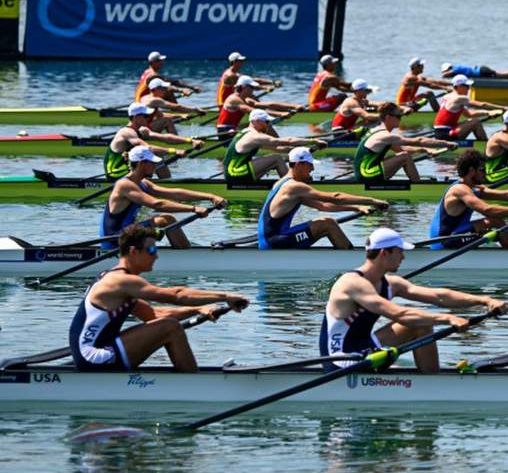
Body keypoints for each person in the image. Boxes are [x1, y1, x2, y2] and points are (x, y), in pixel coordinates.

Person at [320, 227, 508, 373]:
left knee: (421, 325)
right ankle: (423, 388)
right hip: (340, 361)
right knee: (417, 320)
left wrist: (484, 300)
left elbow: (439, 296)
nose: (403, 256)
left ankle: (430, 383)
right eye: (400, 251)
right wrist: (448, 318)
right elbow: (399, 314)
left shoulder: (390, 283)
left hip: (366, 348)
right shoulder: (352, 283)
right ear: (384, 253)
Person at [71, 223, 249, 372]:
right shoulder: (120, 281)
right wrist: (225, 296)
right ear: (133, 251)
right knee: (170, 327)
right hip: (94, 358)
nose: (156, 255)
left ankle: (191, 380)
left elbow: (154, 315)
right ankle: (194, 385)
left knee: (167, 325)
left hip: (97, 353)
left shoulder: (117, 280)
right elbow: (177, 295)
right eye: (151, 249)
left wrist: (198, 309)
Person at [257, 147, 389, 250]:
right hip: (274, 242)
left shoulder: (281, 183)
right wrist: (372, 200)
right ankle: (351, 261)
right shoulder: (293, 187)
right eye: (310, 165)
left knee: (326, 222)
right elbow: (335, 197)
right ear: (299, 164)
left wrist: (356, 207)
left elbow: (323, 206)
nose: (313, 169)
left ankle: (345, 254)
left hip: (272, 239)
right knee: (328, 224)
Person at [101, 146, 227, 249]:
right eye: (152, 163)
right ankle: (186, 257)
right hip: (115, 239)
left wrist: (210, 197)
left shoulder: (143, 182)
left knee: (165, 220)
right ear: (141, 164)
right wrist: (193, 209)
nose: (155, 167)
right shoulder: (124, 185)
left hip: (128, 232)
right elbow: (157, 204)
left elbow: (174, 193)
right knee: (166, 220)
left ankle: (185, 254)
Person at [428, 149, 508, 250]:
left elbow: (507, 195)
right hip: (443, 242)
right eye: (482, 169)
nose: (486, 173)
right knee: (495, 221)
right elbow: (487, 210)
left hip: (457, 233)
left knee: (494, 225)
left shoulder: (473, 187)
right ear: (471, 170)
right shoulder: (460, 190)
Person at [353, 102, 458, 183]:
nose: (400, 119)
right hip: (367, 174)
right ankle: (417, 186)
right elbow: (418, 141)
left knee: (404, 154)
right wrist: (447, 143)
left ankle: (416, 183)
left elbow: (401, 149)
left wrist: (426, 150)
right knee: (405, 157)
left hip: (364, 173)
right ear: (388, 117)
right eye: (398, 116)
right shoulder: (385, 136)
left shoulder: (376, 130)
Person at [105, 102, 203, 180]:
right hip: (116, 172)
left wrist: (190, 141)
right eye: (146, 116)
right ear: (136, 117)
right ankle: (165, 185)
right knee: (155, 157)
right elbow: (148, 148)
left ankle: (166, 183)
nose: (149, 118)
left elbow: (165, 137)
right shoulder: (126, 132)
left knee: (155, 158)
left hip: (129, 168)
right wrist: (174, 151)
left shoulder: (141, 130)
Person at [223, 109, 326, 183]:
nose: (268, 125)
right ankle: (290, 185)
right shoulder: (254, 136)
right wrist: (313, 140)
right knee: (277, 159)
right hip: (236, 173)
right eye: (267, 122)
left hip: (233, 174)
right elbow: (287, 141)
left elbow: (278, 148)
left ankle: (290, 181)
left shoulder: (246, 132)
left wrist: (303, 150)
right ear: (257, 121)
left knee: (275, 158)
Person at [216, 75, 302, 135]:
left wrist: (294, 106)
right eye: (252, 88)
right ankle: (277, 144)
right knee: (264, 124)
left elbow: (268, 104)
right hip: (226, 132)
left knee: (264, 124)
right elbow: (254, 111)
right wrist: (280, 114)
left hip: (235, 128)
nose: (253, 90)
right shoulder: (233, 99)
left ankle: (277, 143)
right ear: (244, 87)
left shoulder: (246, 98)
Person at [433, 75, 507, 141]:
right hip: (446, 134)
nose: (469, 89)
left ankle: (483, 143)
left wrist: (488, 113)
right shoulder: (459, 98)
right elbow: (481, 104)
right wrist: (504, 108)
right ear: (459, 86)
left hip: (440, 132)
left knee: (471, 120)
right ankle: (485, 145)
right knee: (476, 122)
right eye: (467, 86)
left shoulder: (447, 96)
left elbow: (469, 114)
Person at [140, 78, 207, 134]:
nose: (166, 90)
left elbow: (160, 115)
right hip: (144, 130)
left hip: (142, 128)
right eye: (164, 88)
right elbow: (177, 107)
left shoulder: (145, 98)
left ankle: (171, 138)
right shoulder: (155, 100)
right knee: (167, 120)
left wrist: (180, 116)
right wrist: (195, 109)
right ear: (156, 89)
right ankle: (177, 141)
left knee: (164, 119)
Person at [134, 51, 201, 102]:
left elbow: (173, 82)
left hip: (141, 98)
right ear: (153, 62)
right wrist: (182, 91)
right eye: (159, 61)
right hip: (143, 101)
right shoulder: (153, 75)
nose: (162, 63)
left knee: (166, 90)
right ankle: (177, 110)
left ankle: (176, 110)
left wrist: (192, 87)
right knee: (169, 91)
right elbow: (168, 87)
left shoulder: (147, 72)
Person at [440, 62, 508, 80]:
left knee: (503, 74)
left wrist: (443, 75)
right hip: (481, 71)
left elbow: (445, 75)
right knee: (502, 75)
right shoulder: (457, 70)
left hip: (482, 72)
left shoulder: (456, 69)